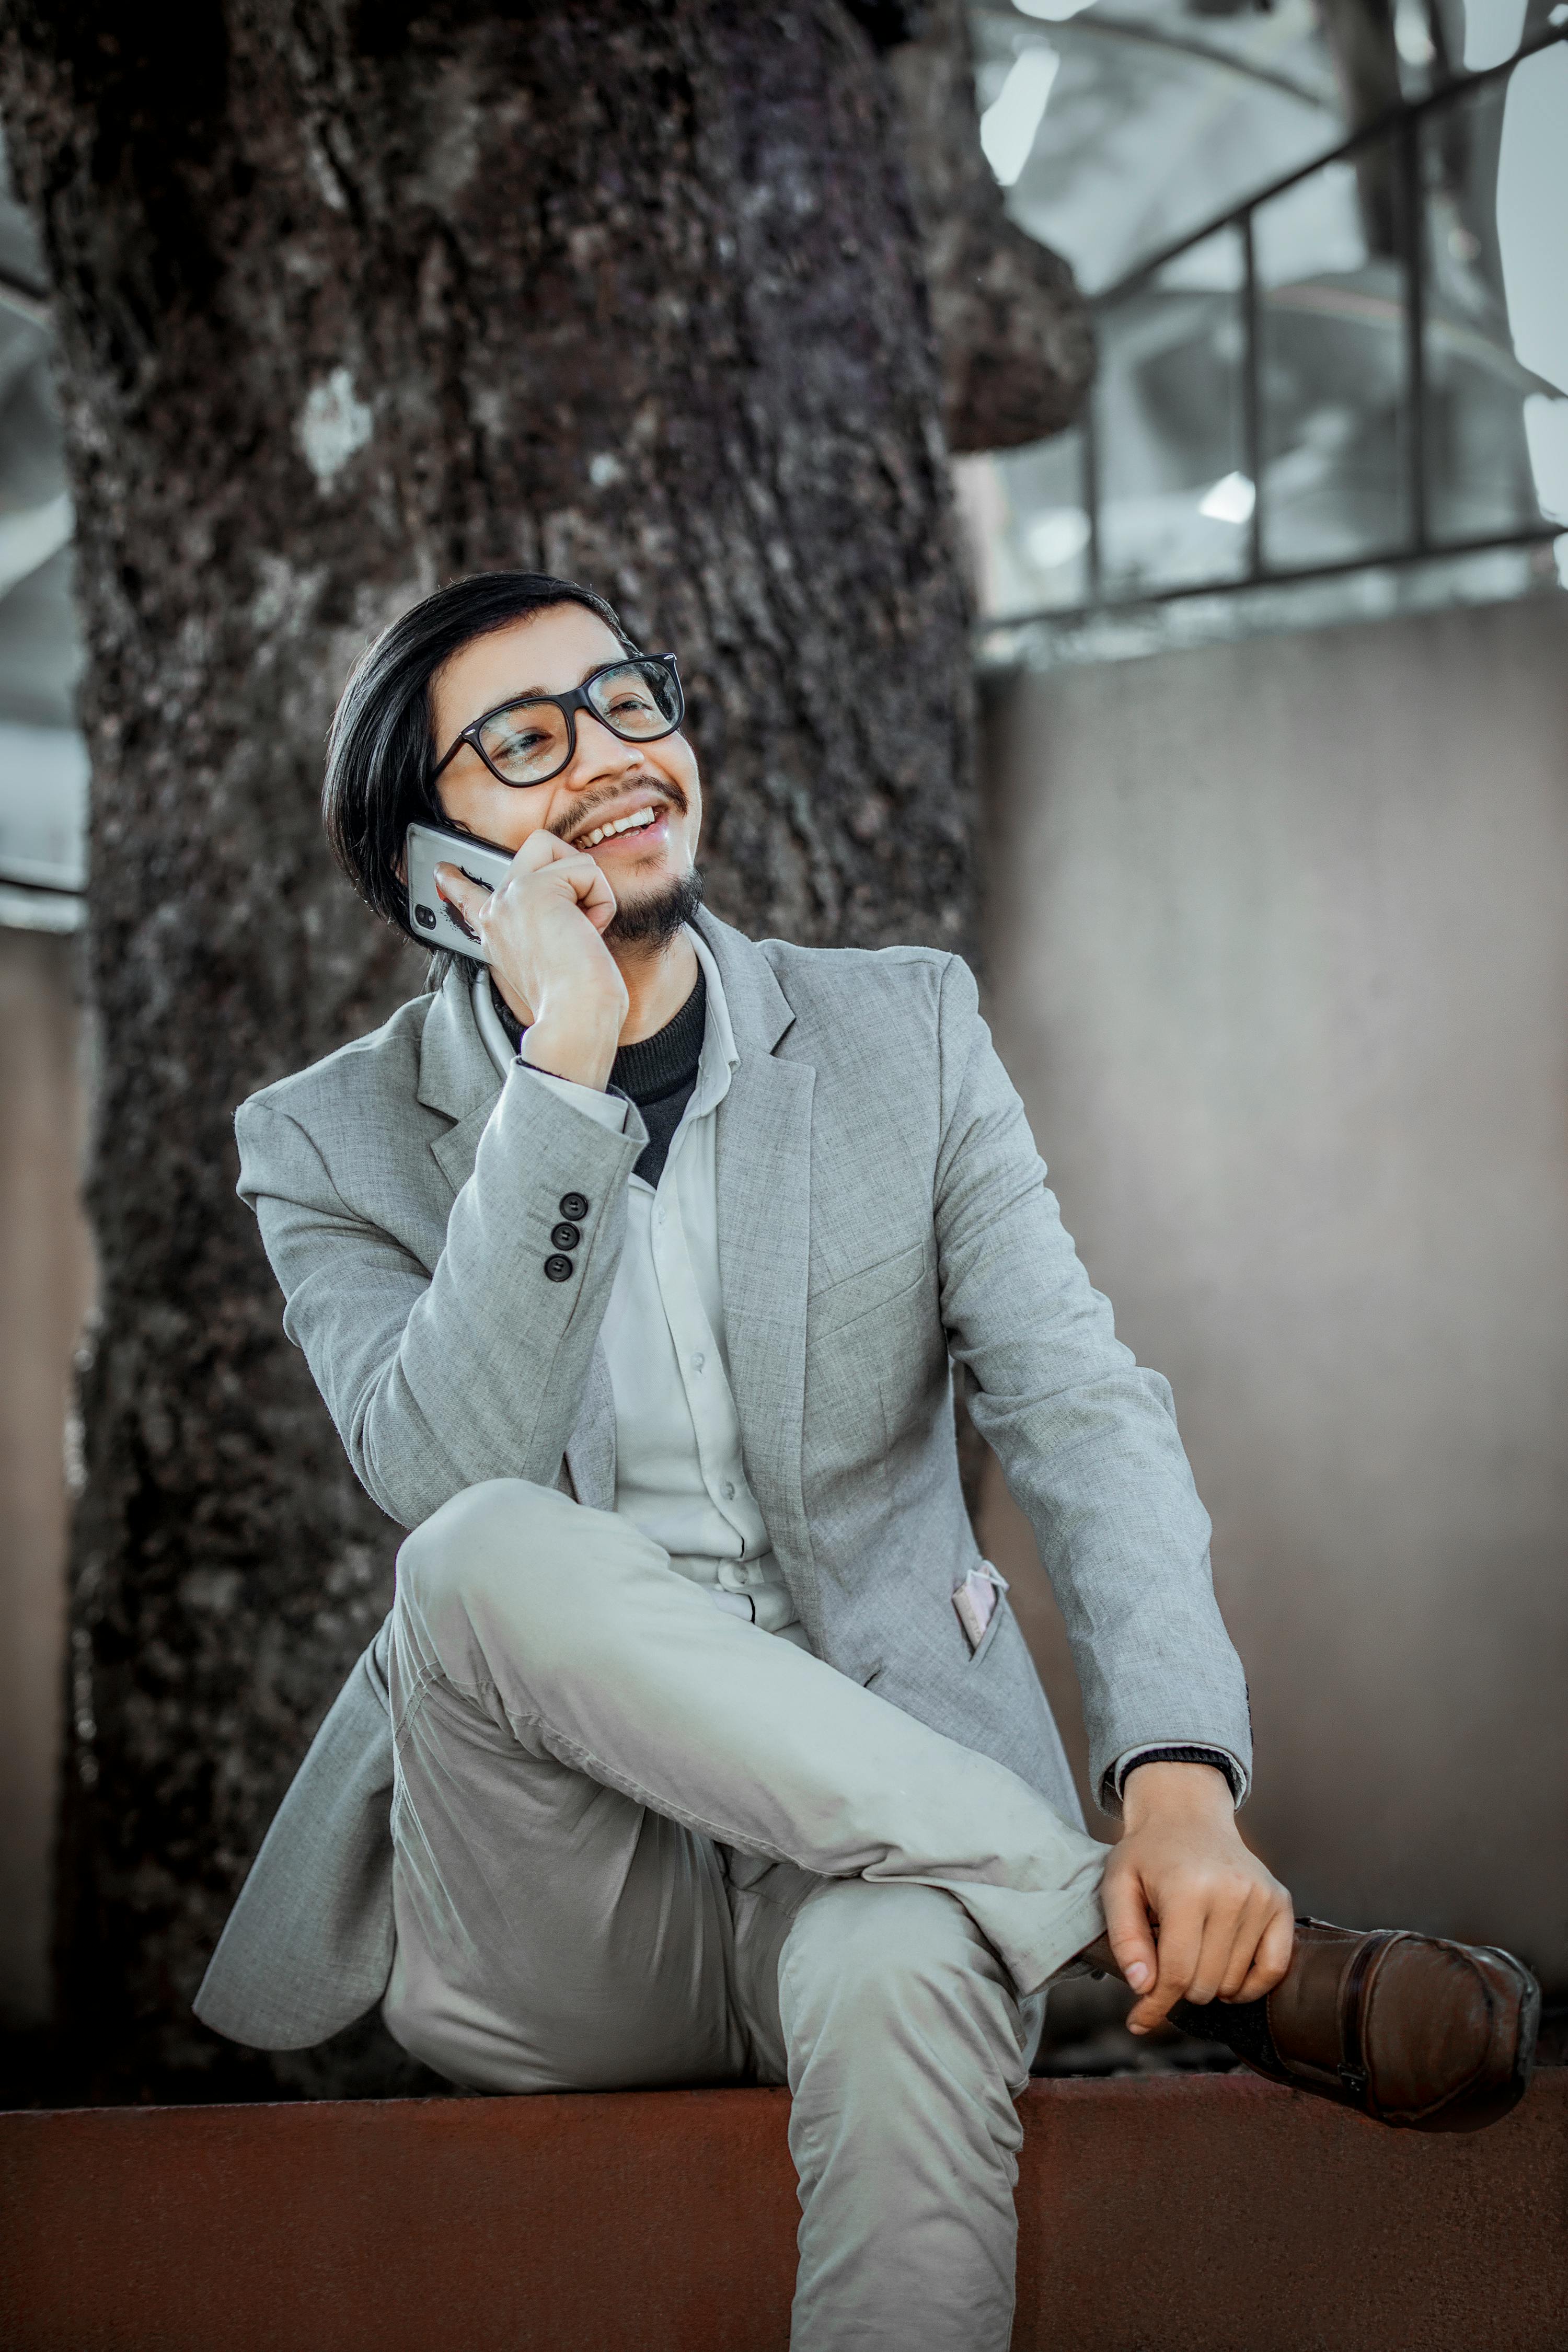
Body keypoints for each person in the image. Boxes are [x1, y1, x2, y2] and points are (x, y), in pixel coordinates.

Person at [197, 571, 1537, 2351]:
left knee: (903, 1975)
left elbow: (1079, 1404)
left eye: (626, 702)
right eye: (522, 743)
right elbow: (449, 1460)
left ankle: (1040, 1901)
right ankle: (1129, 1936)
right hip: (564, 1918)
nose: (608, 758)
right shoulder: (323, 1142)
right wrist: (565, 1072)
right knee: (476, 1550)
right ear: (429, 870)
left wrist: (1183, 1778)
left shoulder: (907, 1029)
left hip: (881, 1872)